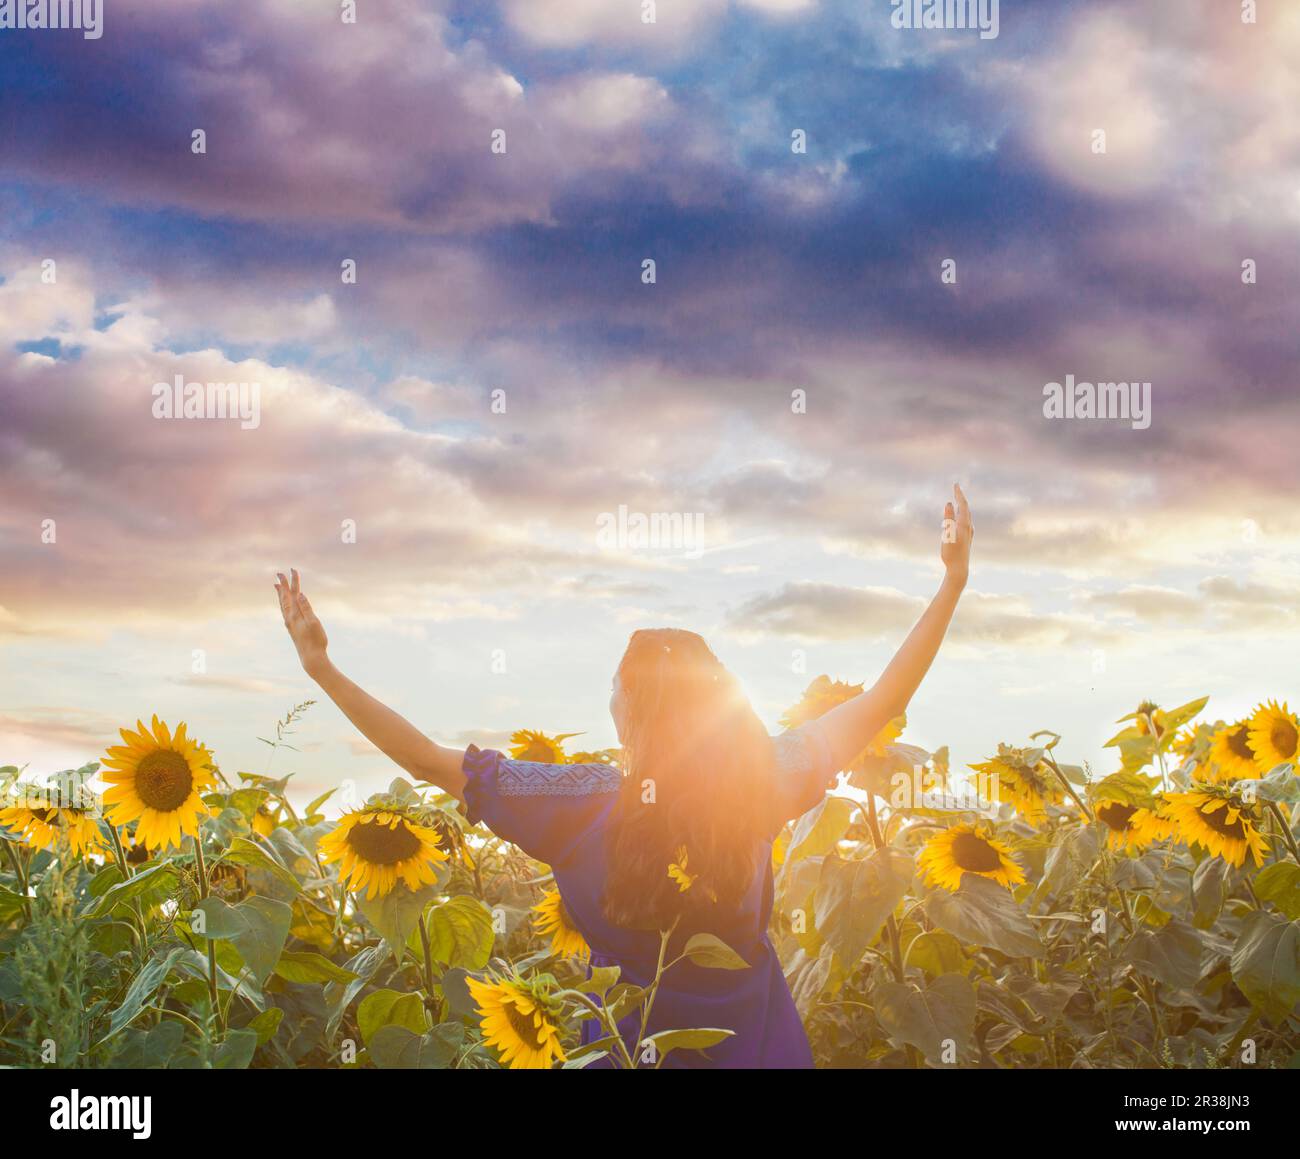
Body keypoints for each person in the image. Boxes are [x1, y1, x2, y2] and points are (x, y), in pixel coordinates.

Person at [274, 484, 974, 1067]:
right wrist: (951, 582)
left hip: (626, 1047)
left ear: (628, 714)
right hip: (762, 1048)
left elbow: (428, 758)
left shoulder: (575, 803)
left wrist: (322, 670)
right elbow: (882, 700)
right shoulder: (764, 782)